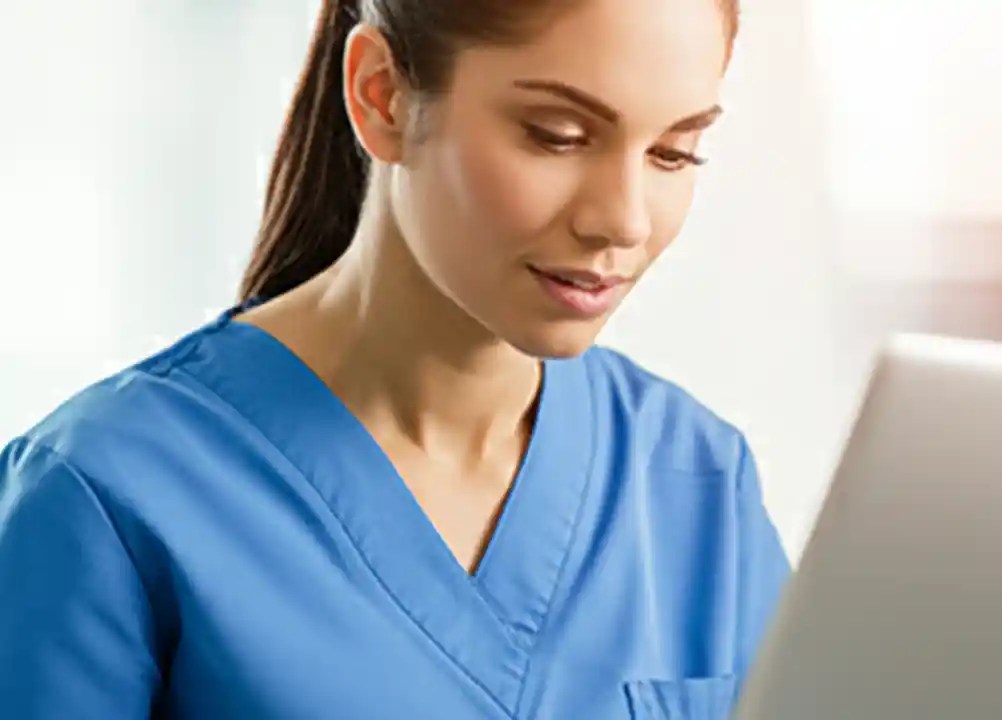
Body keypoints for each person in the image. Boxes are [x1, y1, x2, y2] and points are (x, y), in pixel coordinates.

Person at [0, 0, 790, 716]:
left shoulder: (698, 481)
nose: (622, 221)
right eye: (558, 136)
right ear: (381, 95)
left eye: (674, 153)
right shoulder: (107, 494)